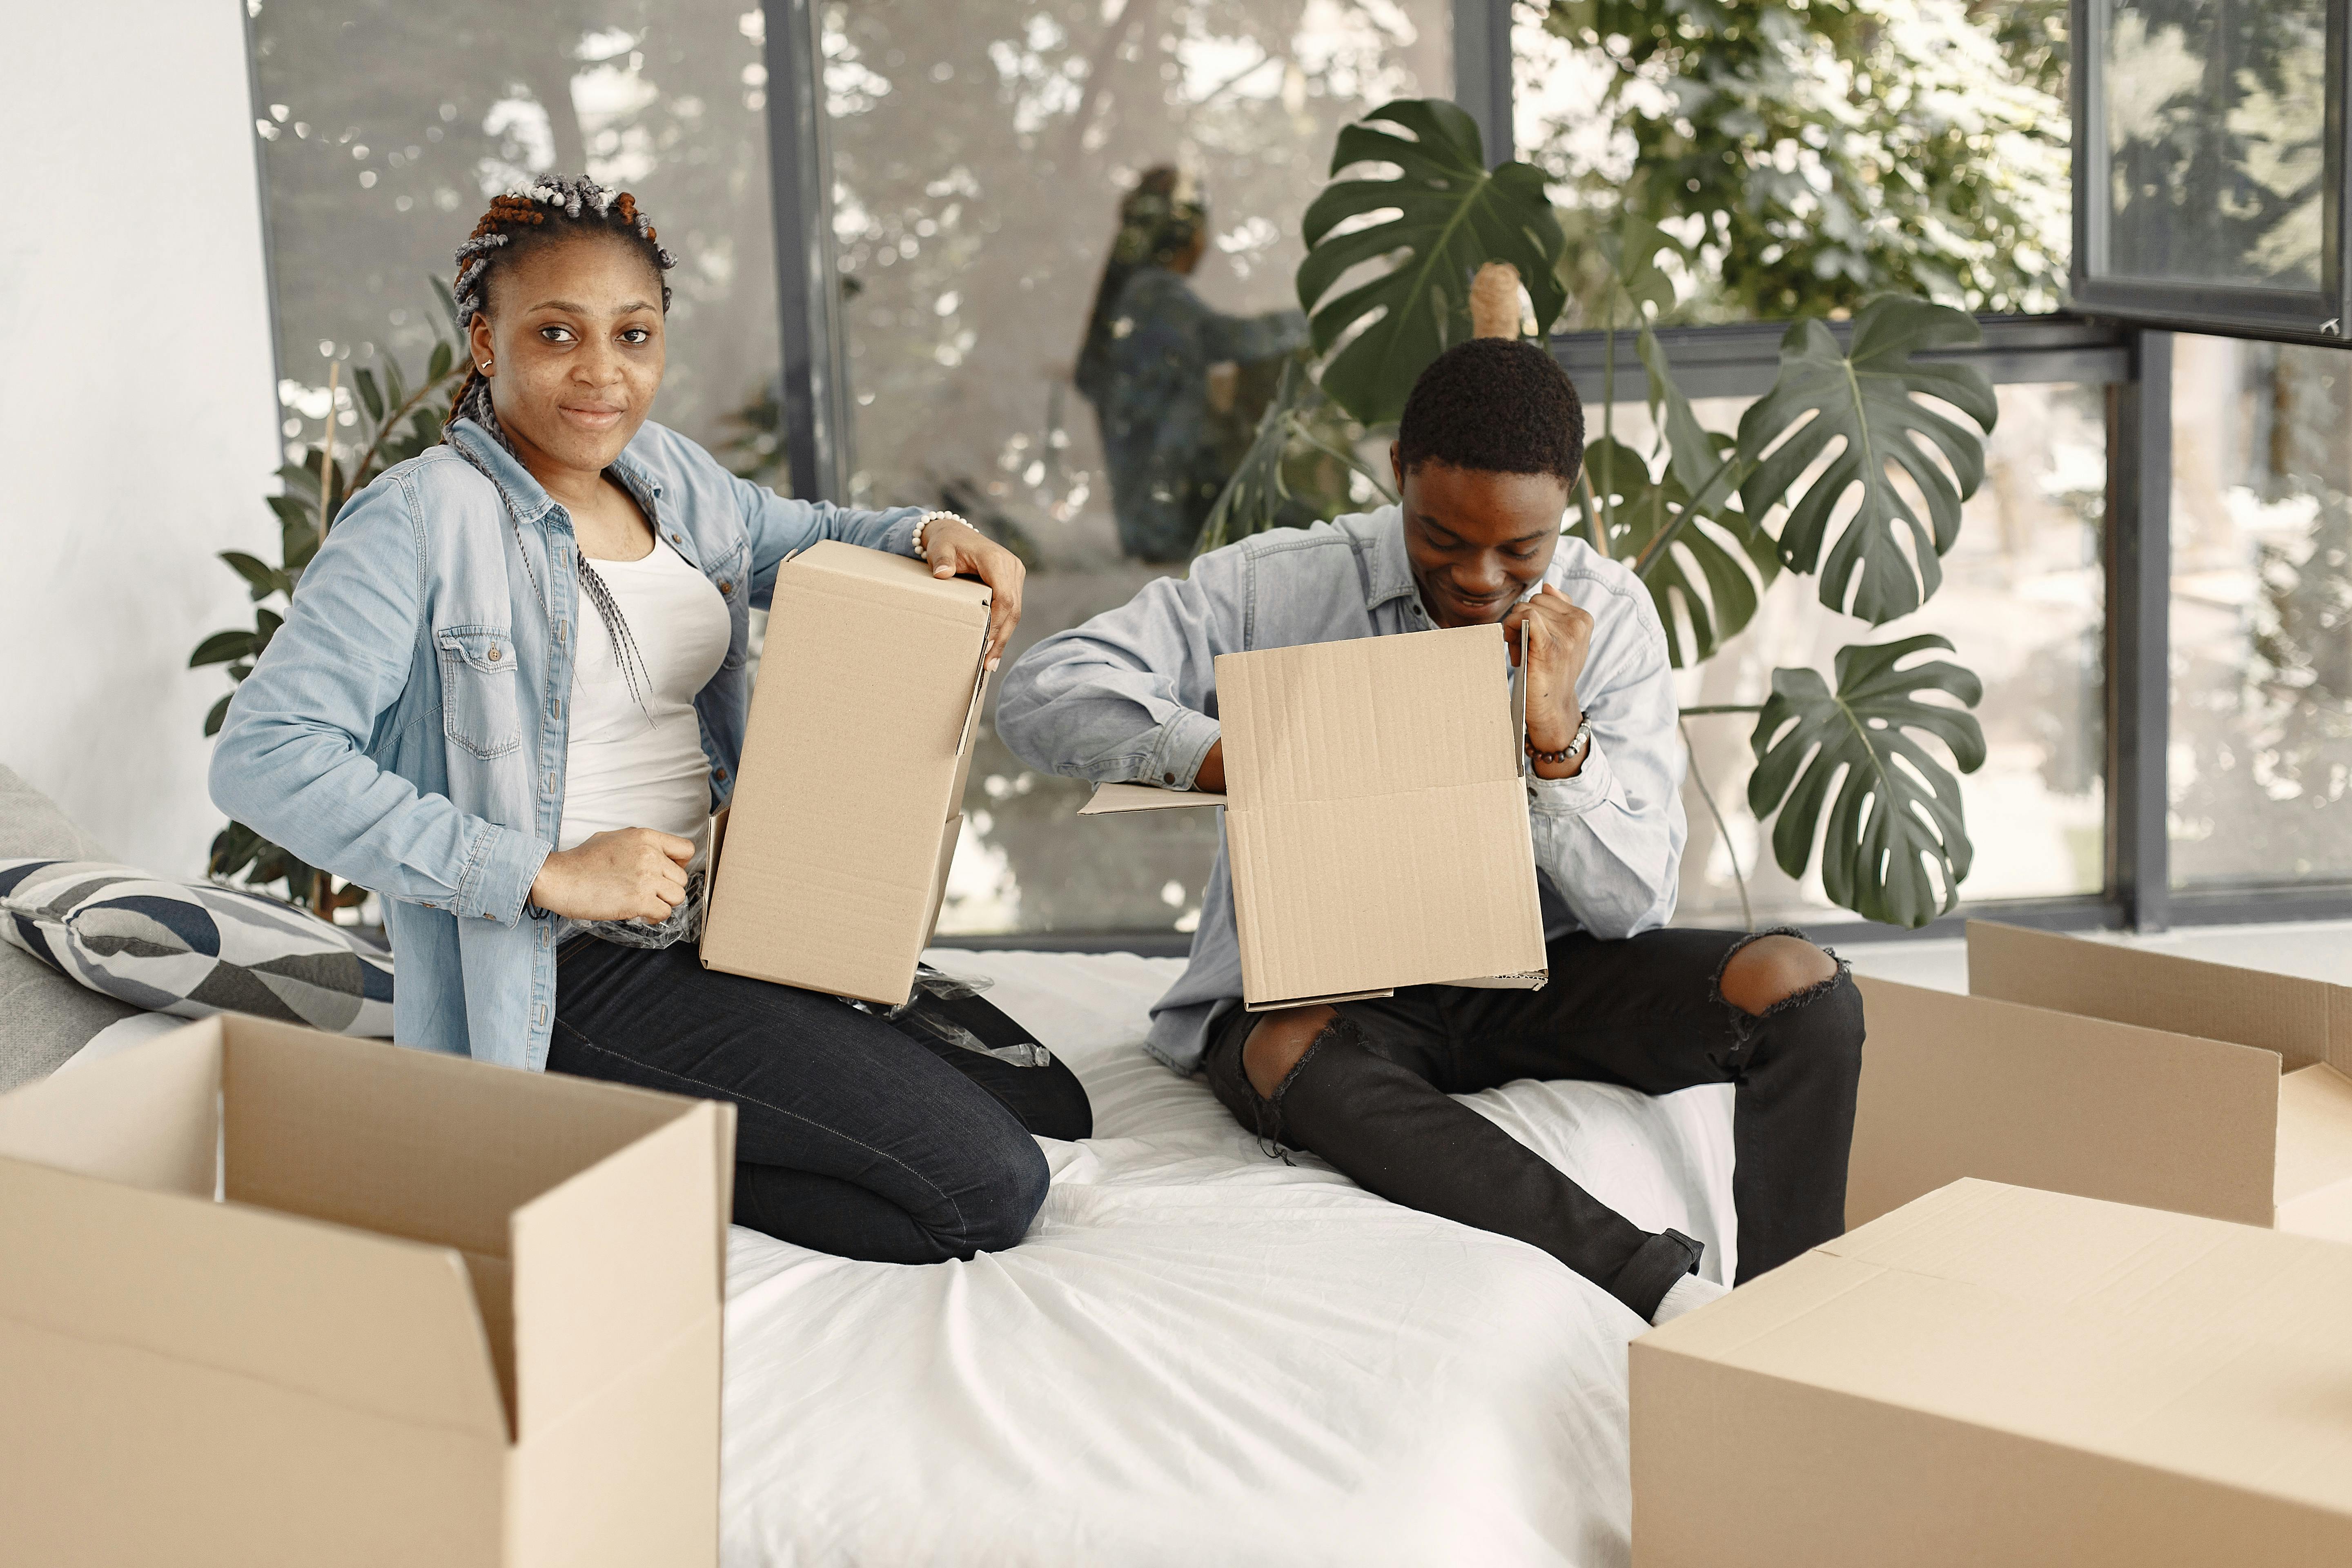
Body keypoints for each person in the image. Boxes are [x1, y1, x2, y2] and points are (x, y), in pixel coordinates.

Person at [214, 174, 1090, 1265]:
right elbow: (266, 760)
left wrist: (934, 528)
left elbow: (806, 536)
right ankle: (598, 1141)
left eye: (633, 334)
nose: (602, 372)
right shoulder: (418, 520)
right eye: (556, 333)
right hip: (573, 963)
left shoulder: (667, 476)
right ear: (485, 345)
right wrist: (547, 872)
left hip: (729, 922)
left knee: (1048, 1101)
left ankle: (690, 1096)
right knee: (988, 1191)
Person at [998, 336, 1865, 1325]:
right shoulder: (1271, 586)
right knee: (1284, 1053)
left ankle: (1797, 1326)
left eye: (1518, 549)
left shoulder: (1611, 621)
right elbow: (1044, 691)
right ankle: (1658, 1287)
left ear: (1565, 505)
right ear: (1401, 470)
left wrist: (1555, 742)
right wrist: (1243, 756)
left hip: (1540, 973)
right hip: (1339, 990)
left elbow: (1634, 906)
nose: (1478, 575)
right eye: (1441, 537)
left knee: (1801, 991)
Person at [1074, 166, 1309, 563]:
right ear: (1179, 235)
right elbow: (1227, 339)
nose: (1206, 242)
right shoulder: (1154, 294)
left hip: (1158, 512)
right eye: (1201, 228)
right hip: (1166, 517)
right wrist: (1309, 321)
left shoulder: (1135, 298)